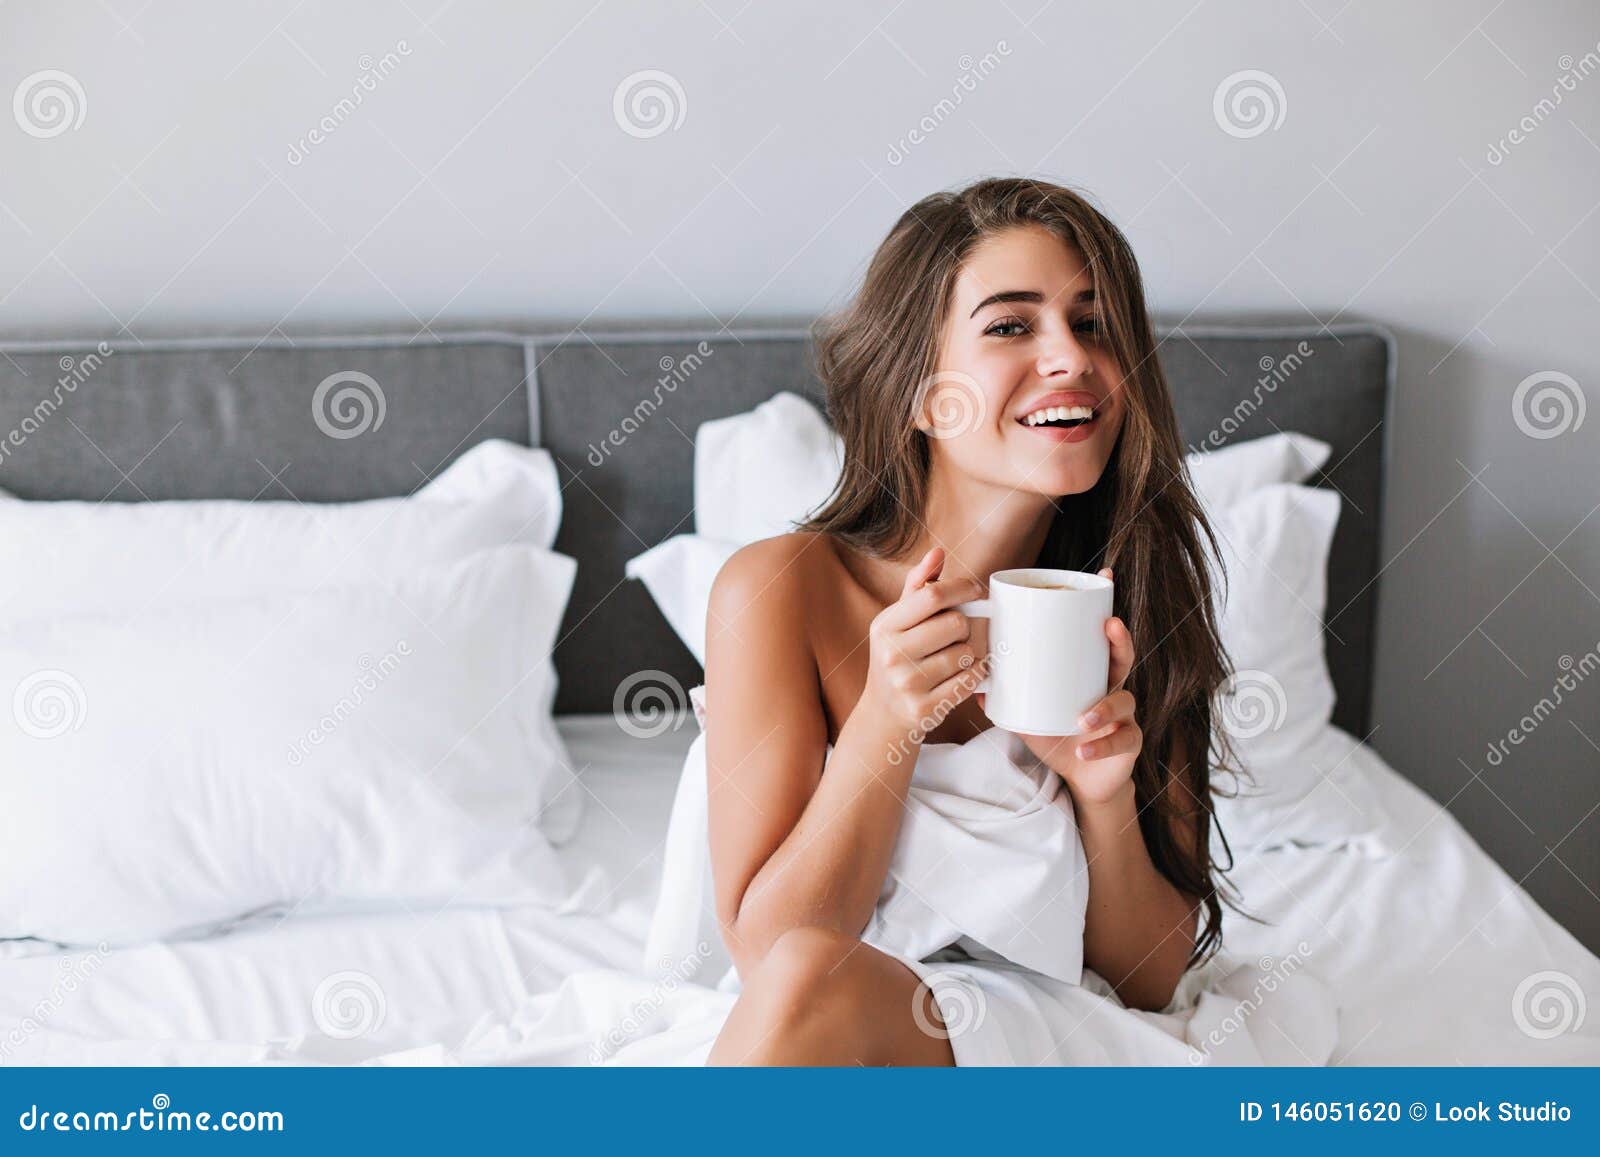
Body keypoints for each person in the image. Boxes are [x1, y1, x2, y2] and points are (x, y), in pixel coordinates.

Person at [700, 177, 1237, 1065]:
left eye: (1093, 322)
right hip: (839, 1027)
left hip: (1058, 1033)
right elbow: (773, 954)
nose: (1070, 357)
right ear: (917, 389)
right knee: (804, 983)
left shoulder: (1132, 595)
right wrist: (886, 720)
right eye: (1011, 325)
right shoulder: (780, 592)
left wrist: (1103, 798)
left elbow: (1145, 980)